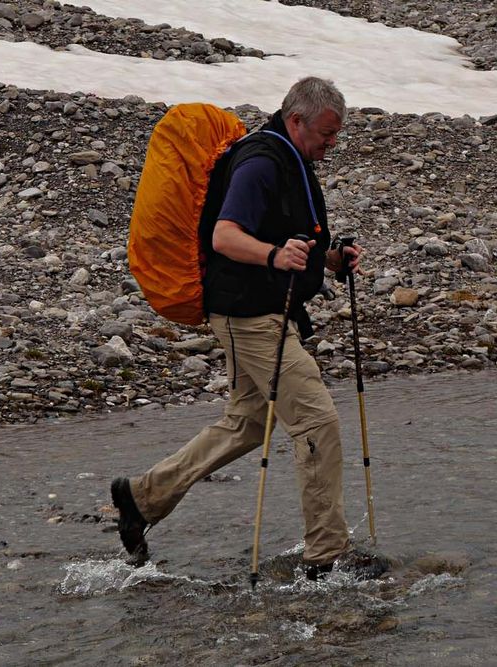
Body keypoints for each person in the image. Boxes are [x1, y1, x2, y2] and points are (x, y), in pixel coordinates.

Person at [111, 77, 362, 581]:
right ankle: (326, 559)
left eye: (336, 134)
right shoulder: (260, 163)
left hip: (260, 310)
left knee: (249, 421)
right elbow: (225, 237)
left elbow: (288, 238)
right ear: (296, 120)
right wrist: (274, 256)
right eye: (327, 133)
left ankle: (142, 497)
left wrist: (331, 259)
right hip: (249, 317)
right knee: (317, 422)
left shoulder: (292, 159)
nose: (332, 143)